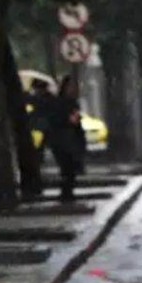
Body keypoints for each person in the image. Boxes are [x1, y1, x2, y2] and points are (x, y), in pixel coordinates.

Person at [48, 75, 87, 204]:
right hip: (62, 141)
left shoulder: (74, 103)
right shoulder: (59, 102)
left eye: (75, 87)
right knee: (66, 168)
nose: (74, 89)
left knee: (71, 169)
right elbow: (55, 121)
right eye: (71, 86)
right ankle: (66, 194)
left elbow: (77, 125)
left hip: (72, 140)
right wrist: (69, 120)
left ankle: (68, 194)